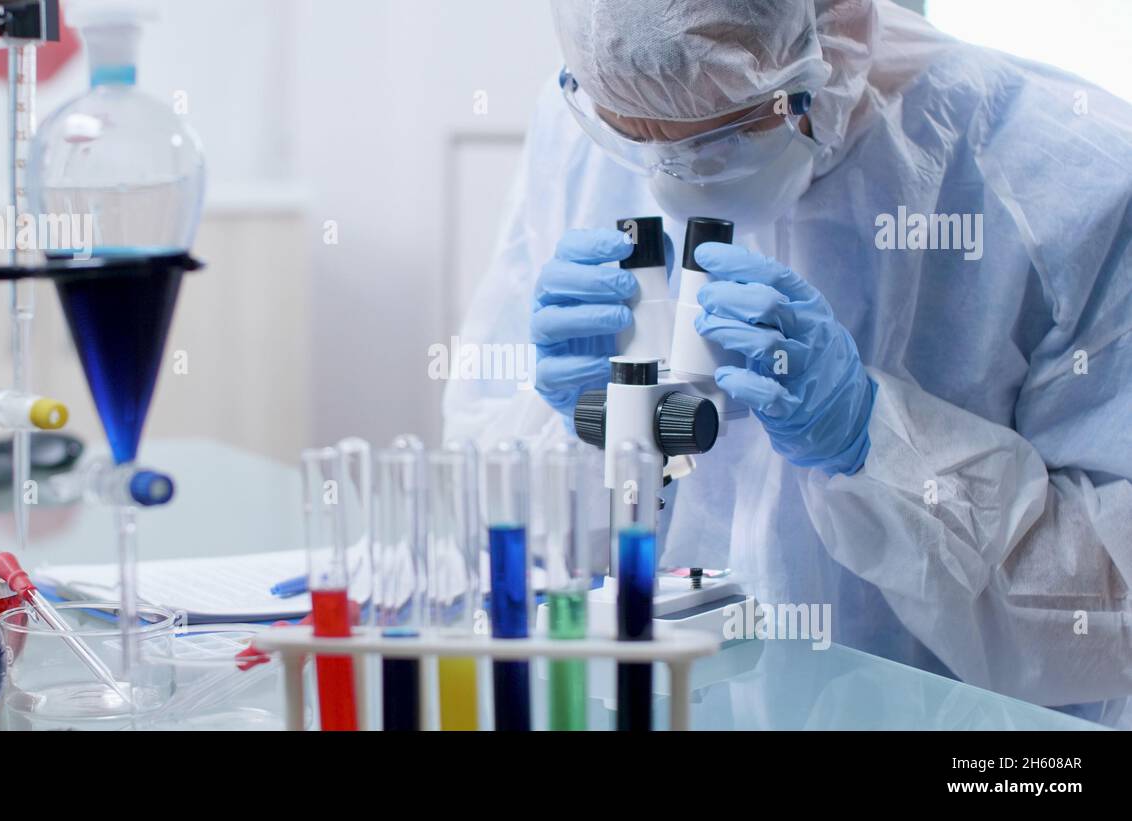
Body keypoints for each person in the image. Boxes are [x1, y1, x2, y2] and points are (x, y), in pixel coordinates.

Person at [443, 0, 1132, 727]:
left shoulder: (1070, 182)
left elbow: (1110, 614)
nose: (671, 179)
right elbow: (482, 511)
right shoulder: (588, 122)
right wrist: (573, 428)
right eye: (639, 139)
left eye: (724, 134)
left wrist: (878, 442)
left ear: (842, 23)